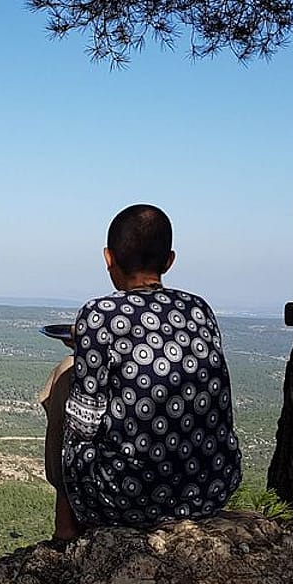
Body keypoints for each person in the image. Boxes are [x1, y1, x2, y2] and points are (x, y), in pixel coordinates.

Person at [40, 204, 242, 540]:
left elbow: (83, 424)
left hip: (128, 497)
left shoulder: (99, 314)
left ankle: (65, 533)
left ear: (108, 258)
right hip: (211, 487)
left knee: (65, 379)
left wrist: (87, 349)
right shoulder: (198, 309)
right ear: (169, 261)